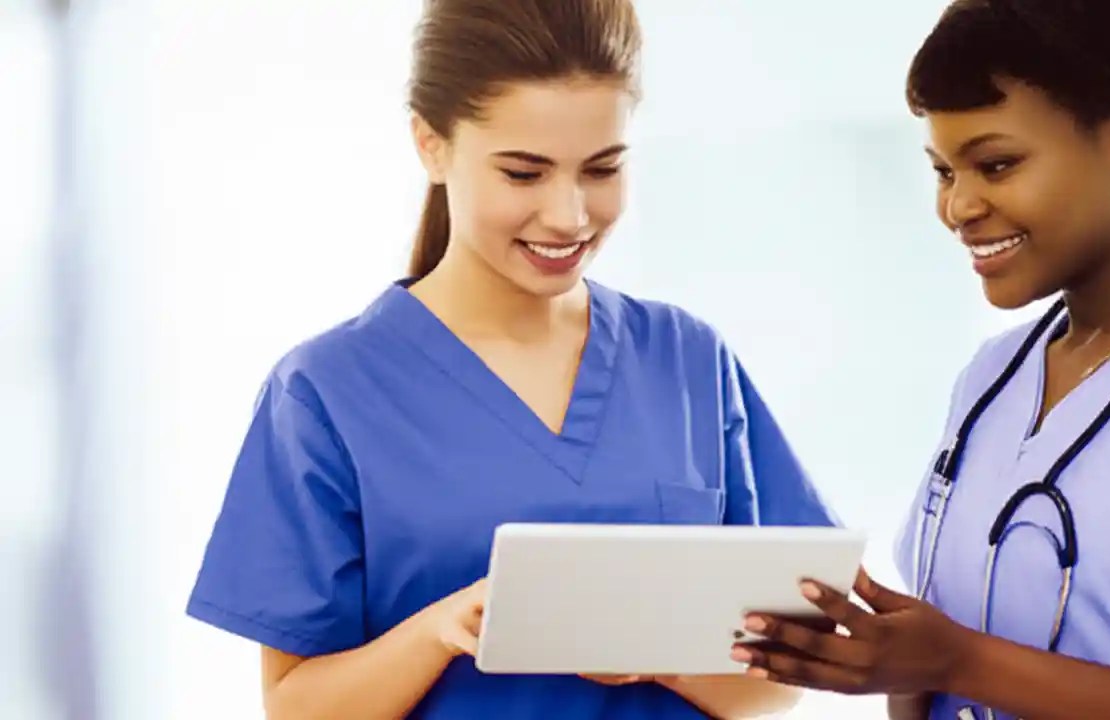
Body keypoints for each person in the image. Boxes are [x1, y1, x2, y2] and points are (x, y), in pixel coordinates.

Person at [184, 0, 840, 718]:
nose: (568, 215)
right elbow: (296, 707)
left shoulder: (687, 362)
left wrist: (654, 653)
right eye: (524, 174)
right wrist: (439, 632)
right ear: (431, 145)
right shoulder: (324, 394)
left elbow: (781, 679)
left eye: (601, 168)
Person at [730, 0, 1110, 718]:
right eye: (942, 172)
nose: (958, 207)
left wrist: (961, 659)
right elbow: (924, 663)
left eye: (996, 164)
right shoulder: (993, 377)